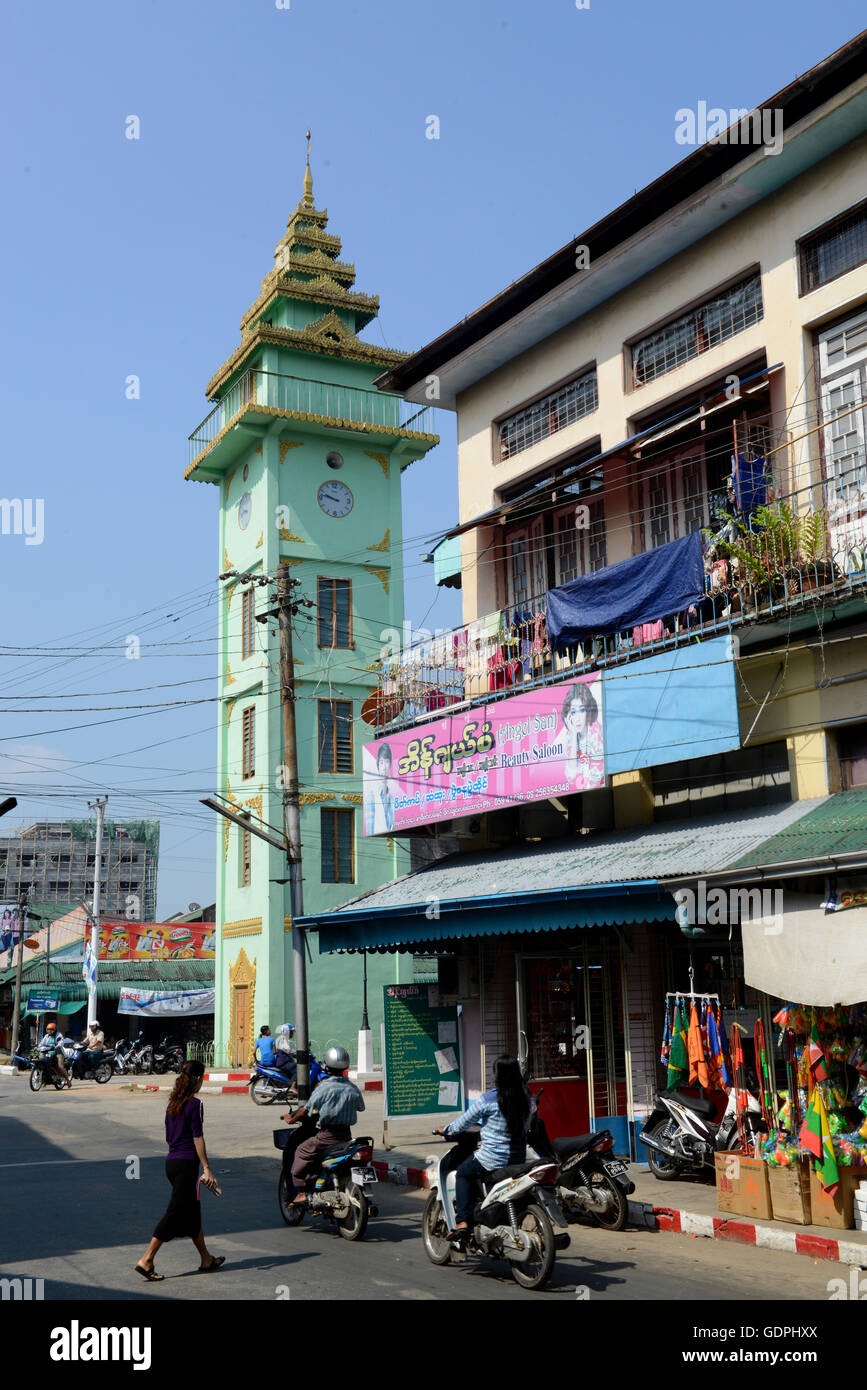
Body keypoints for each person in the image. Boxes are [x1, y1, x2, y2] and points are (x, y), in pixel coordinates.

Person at [135, 1060, 224, 1281]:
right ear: (198, 1079)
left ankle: (206, 1259)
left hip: (172, 1164)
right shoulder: (195, 1105)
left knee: (192, 1212)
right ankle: (146, 1260)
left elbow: (168, 1136)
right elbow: (197, 1137)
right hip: (186, 1165)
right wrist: (206, 1168)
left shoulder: (172, 1103)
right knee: (175, 1213)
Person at [436, 1055, 530, 1239]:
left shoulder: (489, 1099)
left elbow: (462, 1123)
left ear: (498, 1076)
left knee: (463, 1172)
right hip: (518, 1158)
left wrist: (445, 1130)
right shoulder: (525, 1099)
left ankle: (462, 1220)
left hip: (492, 1159)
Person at [285, 1045, 365, 1207]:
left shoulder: (324, 1087)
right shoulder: (352, 1088)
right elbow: (360, 1107)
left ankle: (301, 1192)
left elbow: (306, 1110)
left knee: (301, 1151)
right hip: (346, 1137)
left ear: (327, 1065)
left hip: (327, 1136)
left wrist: (291, 1120)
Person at [559, 682, 603, 786]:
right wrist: (573, 736)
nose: (577, 718)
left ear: (589, 711)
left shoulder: (597, 734)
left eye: (582, 710)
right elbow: (570, 776)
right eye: (573, 712)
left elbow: (596, 781)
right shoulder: (570, 736)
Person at [364, 743, 395, 835]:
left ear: (390, 765)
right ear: (378, 765)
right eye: (381, 762)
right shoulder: (372, 796)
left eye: (387, 762)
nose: (384, 767)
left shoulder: (392, 800)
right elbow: (369, 831)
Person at [38, 1021, 70, 1088]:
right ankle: (46, 1079)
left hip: (58, 1052)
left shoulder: (58, 1035)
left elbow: (61, 1042)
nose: (49, 1031)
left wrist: (57, 1046)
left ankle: (68, 1080)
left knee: (60, 1066)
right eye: (48, 1029)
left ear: (54, 1029)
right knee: (44, 1063)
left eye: (51, 1029)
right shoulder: (46, 1036)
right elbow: (41, 1043)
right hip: (48, 1052)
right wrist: (38, 1046)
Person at [274, 1022, 297, 1090]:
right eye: (291, 1032)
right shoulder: (282, 1039)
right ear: (287, 1032)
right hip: (283, 1063)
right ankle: (292, 1087)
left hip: (285, 1062)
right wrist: (298, 1052)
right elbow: (288, 1050)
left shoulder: (284, 1039)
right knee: (299, 1069)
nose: (292, 1033)